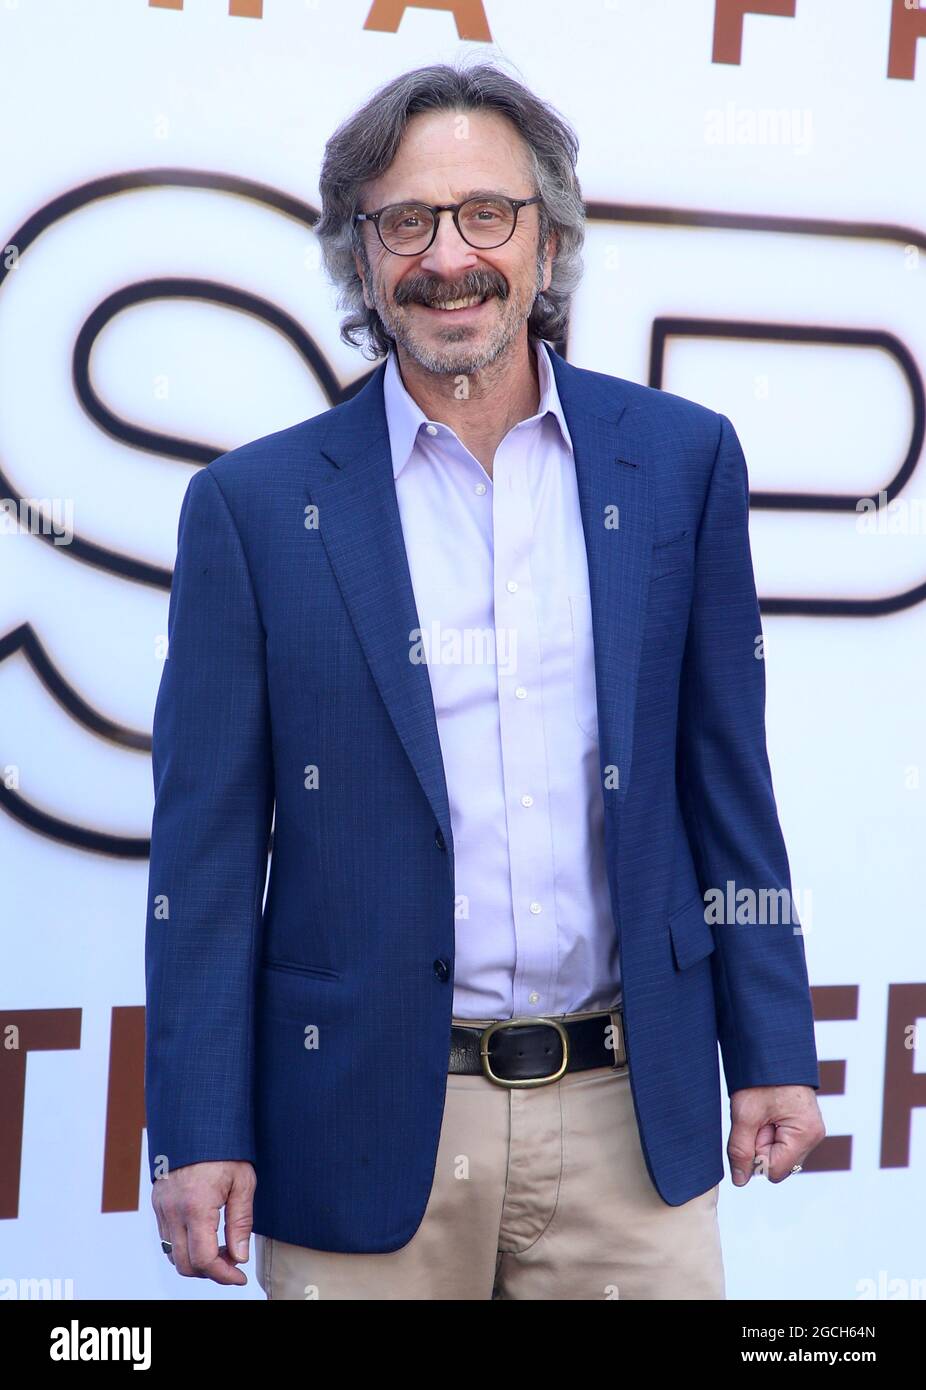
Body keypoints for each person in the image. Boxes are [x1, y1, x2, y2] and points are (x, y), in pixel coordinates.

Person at [145, 61, 825, 1300]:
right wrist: (197, 1126)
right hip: (359, 1125)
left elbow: (728, 783)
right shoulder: (251, 509)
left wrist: (771, 1043)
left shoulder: (677, 465)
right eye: (404, 221)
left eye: (484, 215)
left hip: (629, 1128)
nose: (445, 255)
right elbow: (202, 854)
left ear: (547, 244)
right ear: (361, 258)